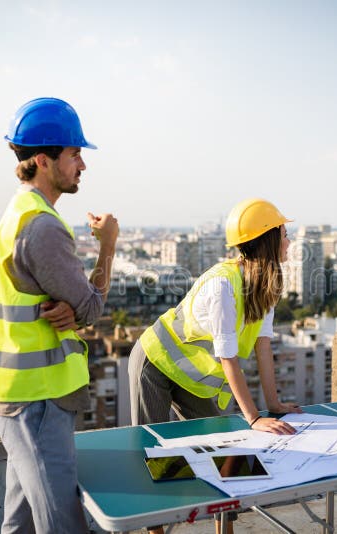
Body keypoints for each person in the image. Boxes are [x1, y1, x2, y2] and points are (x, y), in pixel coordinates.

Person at [0, 97, 119, 533]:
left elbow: (60, 303)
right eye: (74, 154)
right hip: (37, 400)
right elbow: (92, 308)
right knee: (62, 524)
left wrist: (68, 308)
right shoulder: (42, 226)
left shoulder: (18, 212)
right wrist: (108, 245)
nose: (82, 166)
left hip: (19, 394)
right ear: (43, 160)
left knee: (19, 525)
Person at [129, 198, 303, 534]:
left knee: (224, 449)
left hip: (188, 377)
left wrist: (273, 404)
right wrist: (253, 417)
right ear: (267, 240)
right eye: (284, 234)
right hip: (154, 364)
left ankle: (225, 529)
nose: (289, 241)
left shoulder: (266, 286)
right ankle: (156, 529)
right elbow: (228, 358)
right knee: (159, 453)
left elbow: (263, 345)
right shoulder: (224, 285)